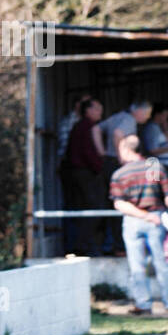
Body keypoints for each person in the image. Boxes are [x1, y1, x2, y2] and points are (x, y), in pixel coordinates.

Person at [110, 134, 168, 315]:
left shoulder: (119, 174)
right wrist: (161, 213)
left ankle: (143, 304)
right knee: (161, 262)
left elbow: (119, 203)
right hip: (155, 219)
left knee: (136, 265)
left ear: (126, 150)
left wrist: (142, 215)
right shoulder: (152, 166)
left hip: (133, 221)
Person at [99, 101, 153, 255]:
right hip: (143, 219)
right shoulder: (128, 120)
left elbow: (96, 129)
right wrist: (119, 156)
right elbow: (117, 133)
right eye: (147, 114)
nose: (148, 118)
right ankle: (119, 247)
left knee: (111, 206)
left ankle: (116, 246)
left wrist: (101, 152)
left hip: (110, 163)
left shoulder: (117, 116)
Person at [64, 97, 105, 256]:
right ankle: (85, 247)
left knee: (82, 209)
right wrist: (99, 168)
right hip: (85, 173)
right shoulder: (87, 127)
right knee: (93, 208)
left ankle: (80, 246)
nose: (100, 113)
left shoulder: (79, 126)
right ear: (88, 110)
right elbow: (89, 152)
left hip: (76, 173)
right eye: (97, 109)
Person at [57, 94, 91, 252]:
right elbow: (66, 149)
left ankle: (80, 245)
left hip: (77, 167)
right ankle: (71, 247)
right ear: (79, 105)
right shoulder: (72, 122)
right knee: (73, 206)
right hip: (71, 168)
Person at [141, 103, 168, 174]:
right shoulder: (151, 129)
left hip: (163, 164)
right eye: (164, 115)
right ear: (157, 115)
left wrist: (165, 126)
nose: (166, 118)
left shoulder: (157, 128)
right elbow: (152, 150)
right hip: (157, 165)